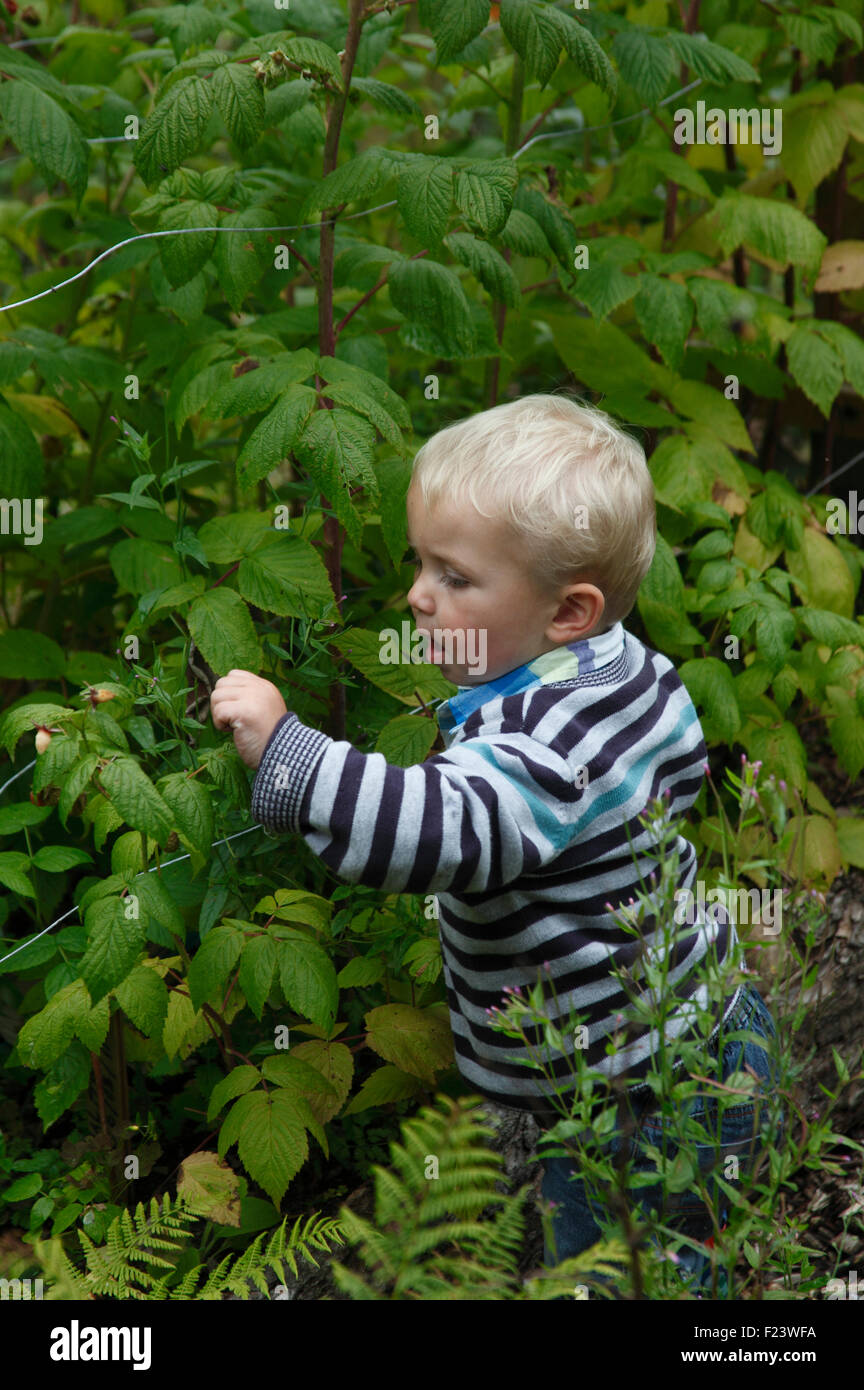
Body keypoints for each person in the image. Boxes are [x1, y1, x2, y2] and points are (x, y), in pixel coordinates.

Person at [210, 393, 780, 1294]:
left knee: (613, 1277)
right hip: (700, 1034)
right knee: (680, 1260)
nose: (416, 596)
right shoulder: (628, 668)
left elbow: (437, 831)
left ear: (568, 611)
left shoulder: (546, 747)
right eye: (420, 563)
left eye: (456, 578)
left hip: (633, 1102)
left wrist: (291, 754)